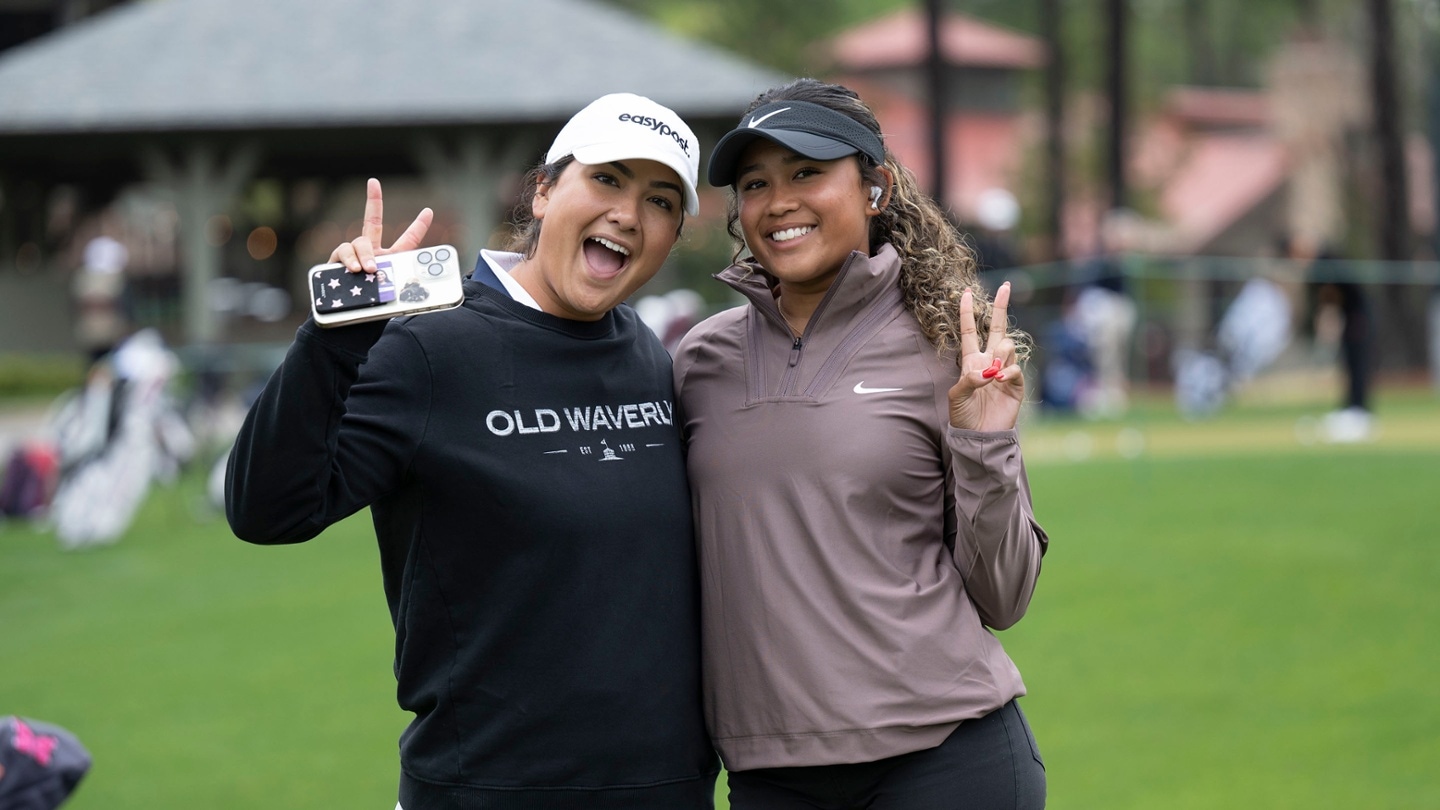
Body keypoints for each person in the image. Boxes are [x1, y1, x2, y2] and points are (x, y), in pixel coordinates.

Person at [225, 93, 718, 809]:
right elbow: (268, 509)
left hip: (666, 791)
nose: (628, 213)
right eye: (607, 179)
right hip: (484, 789)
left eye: (662, 200)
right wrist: (333, 340)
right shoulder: (430, 347)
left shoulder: (650, 355)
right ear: (545, 191)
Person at [674, 79, 1049, 809]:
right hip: (769, 777)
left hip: (948, 762)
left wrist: (985, 447)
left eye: (807, 172)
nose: (779, 201)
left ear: (874, 188)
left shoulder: (944, 353)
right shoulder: (699, 362)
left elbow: (1004, 596)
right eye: (756, 183)